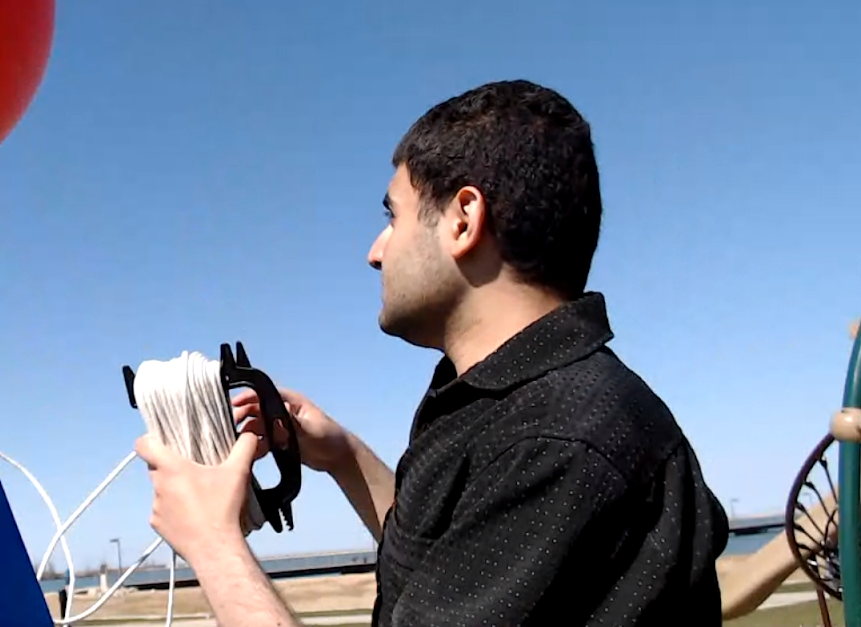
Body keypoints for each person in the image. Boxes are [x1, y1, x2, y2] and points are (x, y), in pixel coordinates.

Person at [134, 79, 730, 627]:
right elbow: (452, 562)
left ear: (463, 219)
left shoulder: (558, 441)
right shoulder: (509, 408)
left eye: (392, 217)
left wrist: (213, 543)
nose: (375, 251)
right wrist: (342, 456)